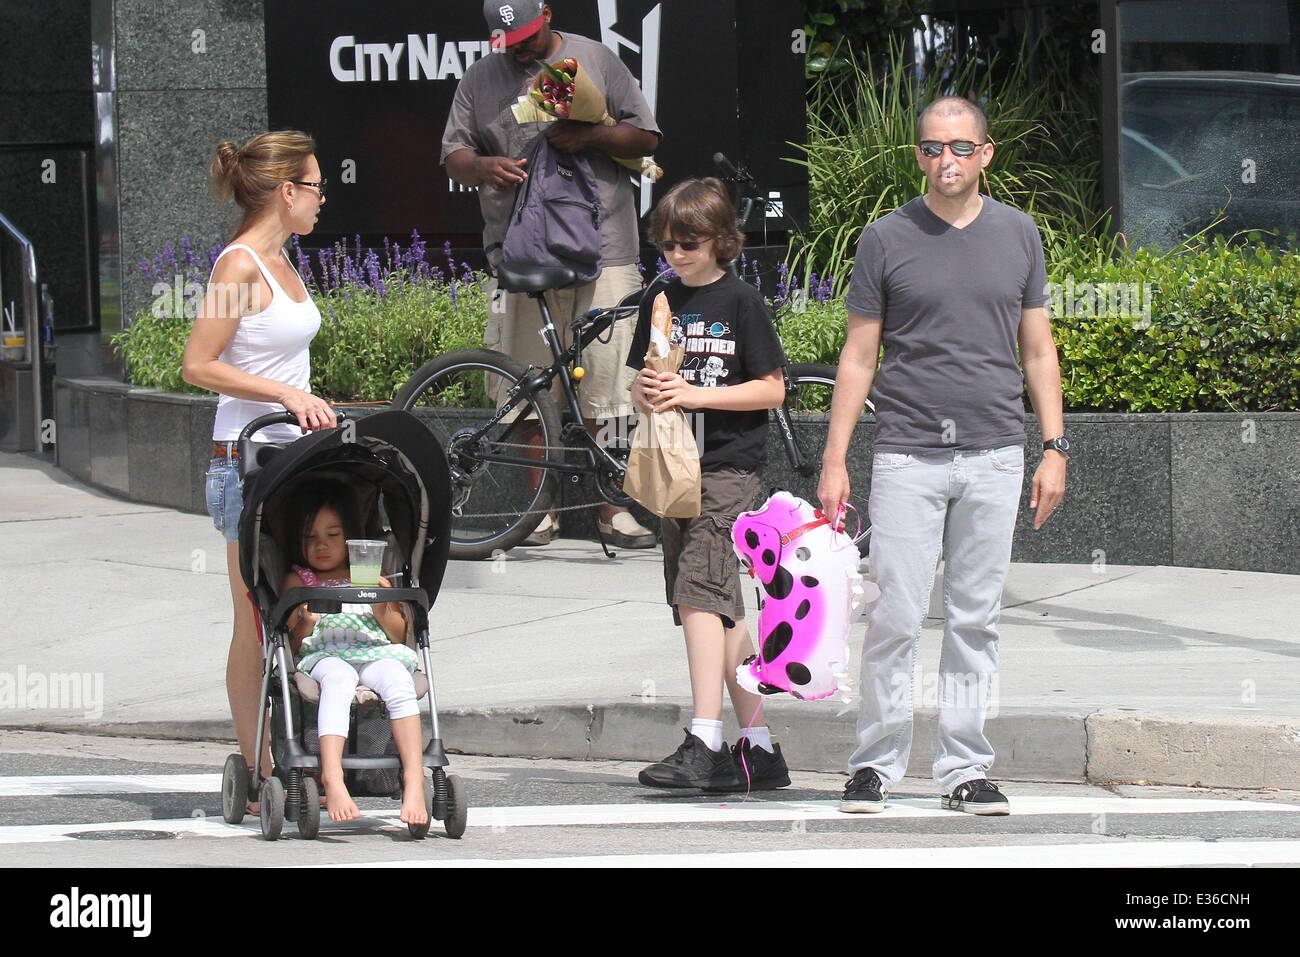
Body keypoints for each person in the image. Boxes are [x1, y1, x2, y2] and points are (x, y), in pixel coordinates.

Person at [817, 97, 1068, 815]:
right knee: (894, 613)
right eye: (932, 147)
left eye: (960, 146)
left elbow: (1038, 349)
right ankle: (874, 764)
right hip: (907, 452)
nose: (946, 159)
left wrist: (1055, 446)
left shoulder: (1019, 234)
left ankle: (963, 766)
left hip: (996, 452)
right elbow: (859, 356)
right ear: (919, 155)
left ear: (986, 154)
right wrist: (835, 460)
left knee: (974, 618)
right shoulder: (886, 237)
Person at [442, 0, 661, 547]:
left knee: (612, 388)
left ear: (546, 13)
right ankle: (540, 511)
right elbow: (453, 154)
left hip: (604, 250)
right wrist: (483, 168)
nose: (517, 45)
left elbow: (648, 139)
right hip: (522, 253)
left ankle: (614, 510)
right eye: (506, 38)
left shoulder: (595, 59)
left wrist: (590, 136)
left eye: (526, 34)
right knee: (530, 388)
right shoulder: (481, 78)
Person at [182, 131, 337, 812]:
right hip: (241, 462)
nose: (323, 199)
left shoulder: (281, 262)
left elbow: (280, 360)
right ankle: (258, 765)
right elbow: (198, 363)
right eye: (317, 186)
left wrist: (305, 400)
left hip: (289, 457)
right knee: (254, 620)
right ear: (287, 191)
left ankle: (307, 748)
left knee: (297, 607)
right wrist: (286, 396)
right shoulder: (238, 265)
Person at [626, 178, 791, 791]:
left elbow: (773, 387)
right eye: (665, 243)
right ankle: (758, 746)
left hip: (727, 467)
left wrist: (696, 394)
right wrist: (646, 392)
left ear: (722, 240)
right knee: (719, 608)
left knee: (697, 592)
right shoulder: (659, 298)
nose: (674, 253)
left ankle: (704, 739)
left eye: (687, 242)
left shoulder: (741, 301)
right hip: (675, 465)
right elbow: (642, 379)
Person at [280, 483, 427, 826]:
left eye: (332, 534)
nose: (321, 544)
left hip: (376, 650)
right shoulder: (299, 579)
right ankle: (332, 776)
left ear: (350, 538)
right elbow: (293, 637)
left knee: (399, 682)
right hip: (327, 653)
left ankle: (414, 780)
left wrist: (380, 606)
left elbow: (396, 634)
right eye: (310, 536)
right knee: (339, 680)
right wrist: (305, 618)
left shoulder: (372, 577)